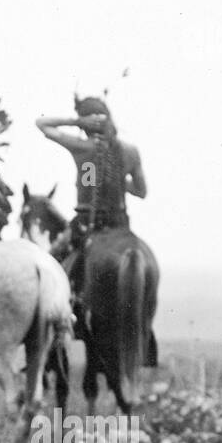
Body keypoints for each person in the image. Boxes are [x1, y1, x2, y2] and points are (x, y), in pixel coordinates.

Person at [35, 95, 146, 323]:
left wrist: (75, 122)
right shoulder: (131, 151)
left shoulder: (80, 147)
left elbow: (41, 123)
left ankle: (58, 319)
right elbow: (141, 191)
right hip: (120, 225)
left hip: (87, 226)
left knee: (52, 263)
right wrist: (116, 180)